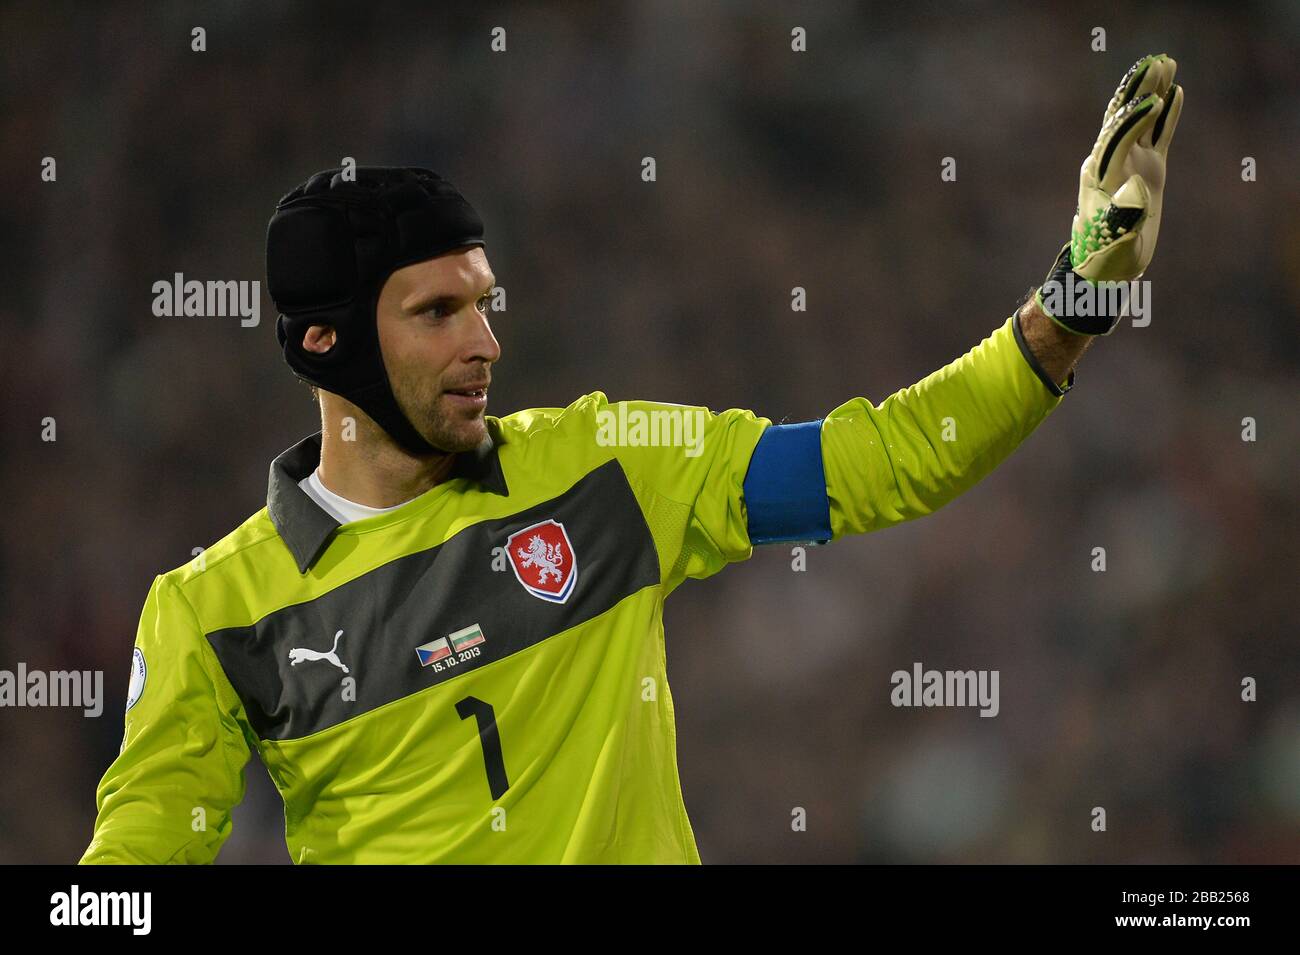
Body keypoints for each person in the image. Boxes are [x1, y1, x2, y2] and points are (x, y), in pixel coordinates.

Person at [81, 55, 1182, 864]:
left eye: (484, 302)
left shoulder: (603, 469)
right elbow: (129, 872)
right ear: (323, 342)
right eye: (435, 311)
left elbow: (885, 459)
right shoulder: (212, 613)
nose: (485, 342)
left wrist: (1074, 299)